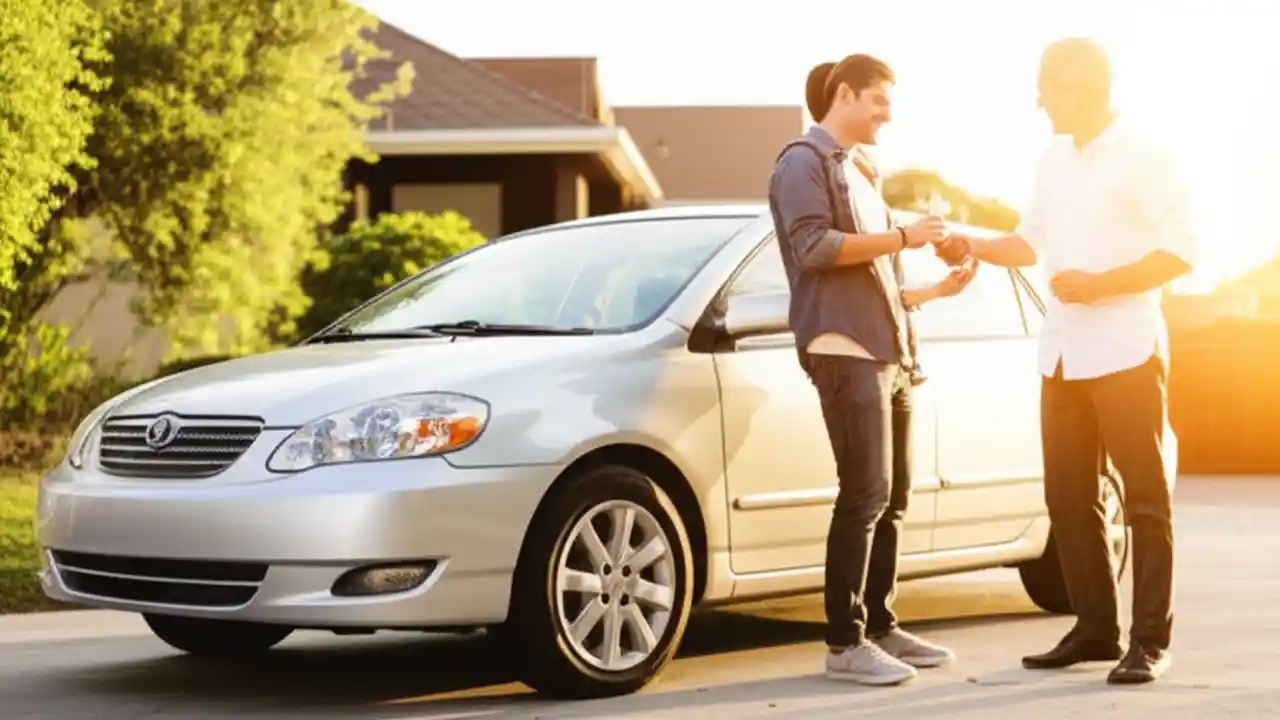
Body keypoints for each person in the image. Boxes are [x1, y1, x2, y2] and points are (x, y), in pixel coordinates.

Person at [937, 38, 1197, 684]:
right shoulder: (1053, 159)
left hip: (1128, 352)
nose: (1038, 101)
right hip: (1062, 353)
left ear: (1084, 87)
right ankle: (1096, 630)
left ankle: (1151, 642)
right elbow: (1029, 243)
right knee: (1067, 497)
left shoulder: (1149, 158)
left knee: (1144, 499)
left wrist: (1102, 283)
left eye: (1046, 88)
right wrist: (966, 243)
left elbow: (1183, 251)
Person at [769, 54, 974, 686]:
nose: (889, 112)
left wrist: (933, 291)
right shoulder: (801, 163)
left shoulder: (861, 171)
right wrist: (904, 238)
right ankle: (844, 643)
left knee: (894, 499)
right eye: (879, 99)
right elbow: (814, 249)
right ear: (845, 94)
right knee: (863, 496)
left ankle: (880, 626)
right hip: (843, 351)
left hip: (889, 354)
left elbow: (875, 278)